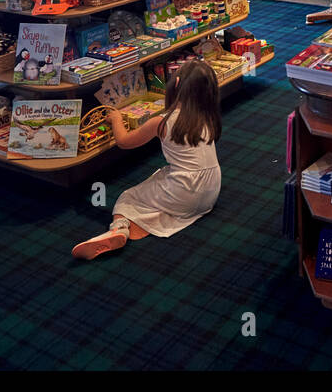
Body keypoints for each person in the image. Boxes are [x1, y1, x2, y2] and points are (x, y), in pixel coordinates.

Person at [72, 61, 222, 260]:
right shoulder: (208, 117)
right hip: (211, 192)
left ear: (175, 84)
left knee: (128, 197)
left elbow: (124, 142)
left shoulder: (162, 122)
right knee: (159, 181)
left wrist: (117, 119)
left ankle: (118, 229)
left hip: (184, 190)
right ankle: (137, 227)